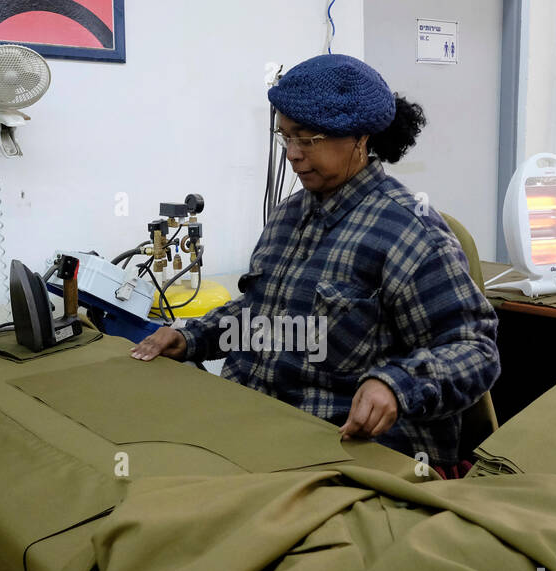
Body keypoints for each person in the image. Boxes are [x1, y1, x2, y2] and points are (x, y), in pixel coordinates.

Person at [130, 53, 500, 472]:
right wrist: (191, 337)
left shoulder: (410, 231)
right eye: (285, 136)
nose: (292, 154)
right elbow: (264, 317)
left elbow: (474, 350)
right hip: (254, 427)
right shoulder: (289, 215)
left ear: (359, 139)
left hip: (342, 450)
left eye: (308, 139)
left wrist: (397, 385)